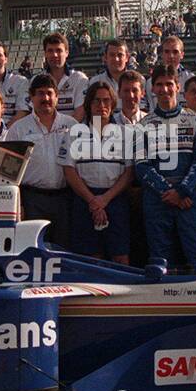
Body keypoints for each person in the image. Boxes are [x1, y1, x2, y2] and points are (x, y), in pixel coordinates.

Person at [135, 65, 196, 268]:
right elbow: (141, 165)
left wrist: (182, 191)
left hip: (188, 197)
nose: (164, 89)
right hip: (157, 199)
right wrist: (168, 192)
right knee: (161, 261)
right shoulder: (143, 124)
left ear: (178, 87)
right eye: (159, 85)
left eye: (169, 84)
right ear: (152, 89)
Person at [59, 81, 133, 264]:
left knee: (120, 256)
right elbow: (69, 170)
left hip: (115, 199)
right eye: (96, 101)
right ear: (88, 104)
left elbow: (129, 173)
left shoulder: (125, 133)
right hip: (84, 199)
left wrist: (105, 199)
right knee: (91, 258)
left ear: (113, 104)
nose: (101, 106)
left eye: (106, 101)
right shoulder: (75, 133)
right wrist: (93, 201)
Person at [8, 74, 76, 246]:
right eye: (40, 93)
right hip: (32, 200)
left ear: (57, 96)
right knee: (34, 250)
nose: (45, 98)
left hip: (65, 200)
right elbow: (8, 174)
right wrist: (19, 204)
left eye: (49, 93)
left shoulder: (72, 125)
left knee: (64, 250)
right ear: (31, 97)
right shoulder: (18, 129)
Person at [40, 32, 90, 122]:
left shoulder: (80, 79)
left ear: (67, 53)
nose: (54, 55)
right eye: (50, 51)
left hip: (72, 133)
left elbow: (80, 113)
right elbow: (36, 113)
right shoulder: (37, 80)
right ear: (45, 54)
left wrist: (62, 134)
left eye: (59, 50)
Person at [0, 40, 30, 124]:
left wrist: (3, 132)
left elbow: (23, 112)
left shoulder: (20, 82)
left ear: (6, 59)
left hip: (13, 132)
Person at [144, 36, 194, 112]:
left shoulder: (190, 80)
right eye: (167, 52)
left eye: (175, 52)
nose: (171, 56)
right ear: (161, 54)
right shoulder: (150, 83)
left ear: (182, 55)